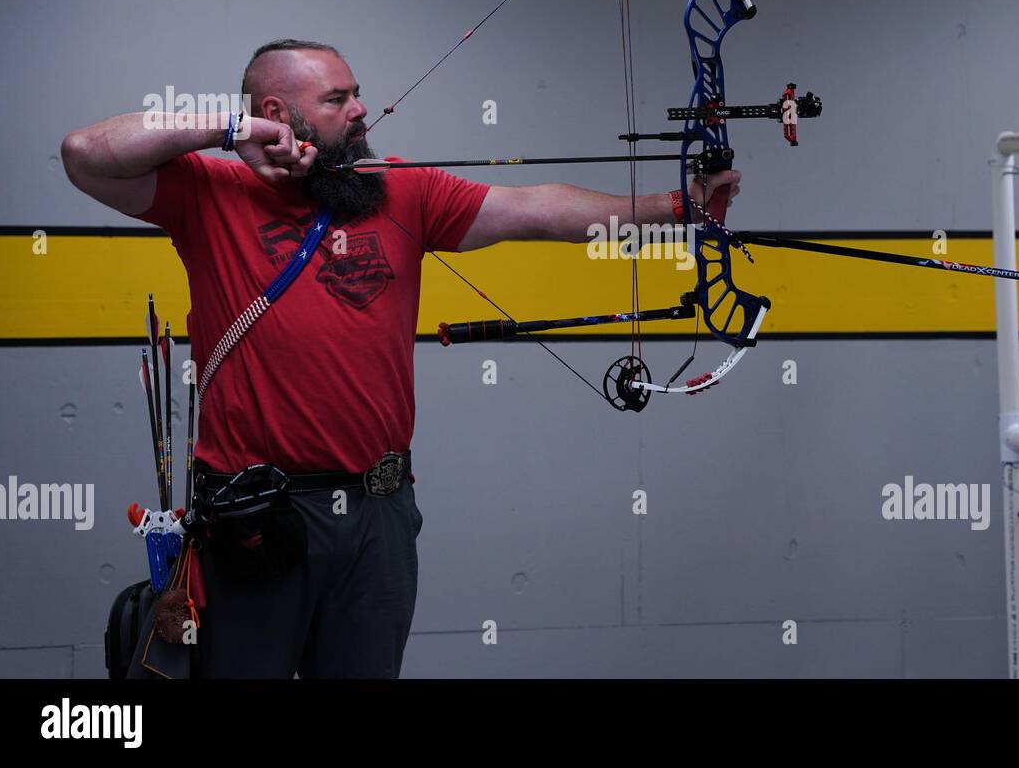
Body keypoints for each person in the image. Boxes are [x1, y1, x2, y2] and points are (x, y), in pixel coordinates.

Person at [61, 38, 739, 678]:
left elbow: (539, 210)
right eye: (336, 99)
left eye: (356, 94)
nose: (359, 109)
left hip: (377, 514)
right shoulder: (209, 194)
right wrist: (228, 130)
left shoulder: (401, 190)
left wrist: (676, 206)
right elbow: (85, 150)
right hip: (256, 518)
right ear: (275, 114)